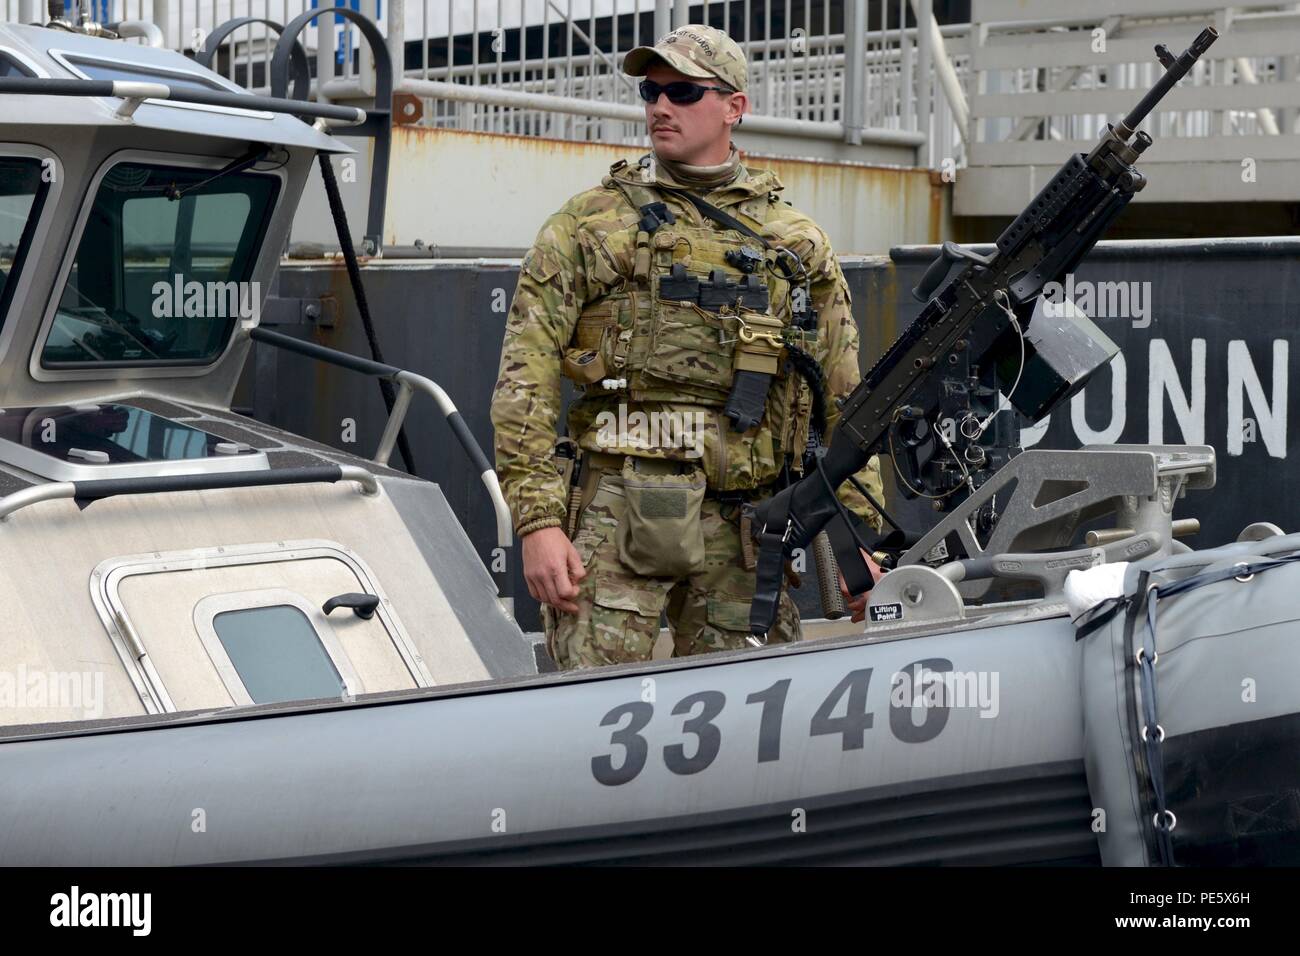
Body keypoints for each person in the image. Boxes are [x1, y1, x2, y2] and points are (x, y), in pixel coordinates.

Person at [491, 24, 884, 670]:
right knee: (591, 725)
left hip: (745, 531)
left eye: (682, 91)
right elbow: (523, 383)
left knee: (750, 731)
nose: (659, 107)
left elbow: (843, 399)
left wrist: (858, 539)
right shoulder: (589, 225)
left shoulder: (793, 243)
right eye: (650, 91)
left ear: (735, 107)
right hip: (614, 518)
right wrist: (537, 523)